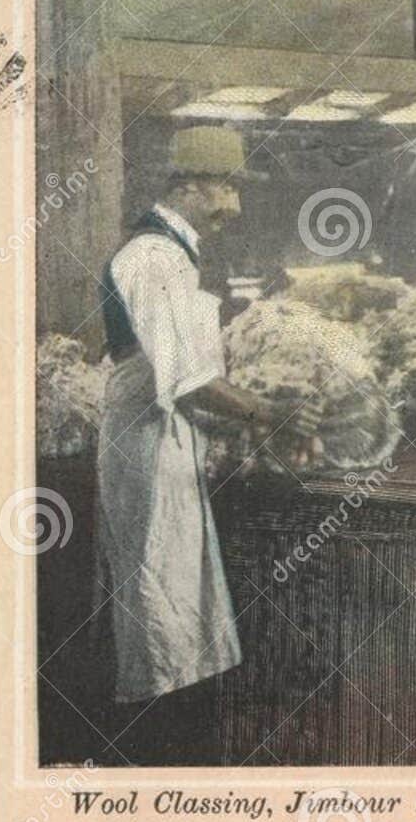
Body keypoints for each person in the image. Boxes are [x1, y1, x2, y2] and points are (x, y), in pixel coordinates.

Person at [95, 125, 321, 756]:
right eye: (226, 188)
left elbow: (194, 375)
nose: (234, 206)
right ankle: (153, 747)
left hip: (168, 437)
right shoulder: (152, 257)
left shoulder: (176, 255)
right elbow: (190, 382)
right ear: (188, 185)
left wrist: (246, 422)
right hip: (146, 441)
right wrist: (266, 412)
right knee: (155, 589)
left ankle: (174, 728)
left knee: (178, 589)